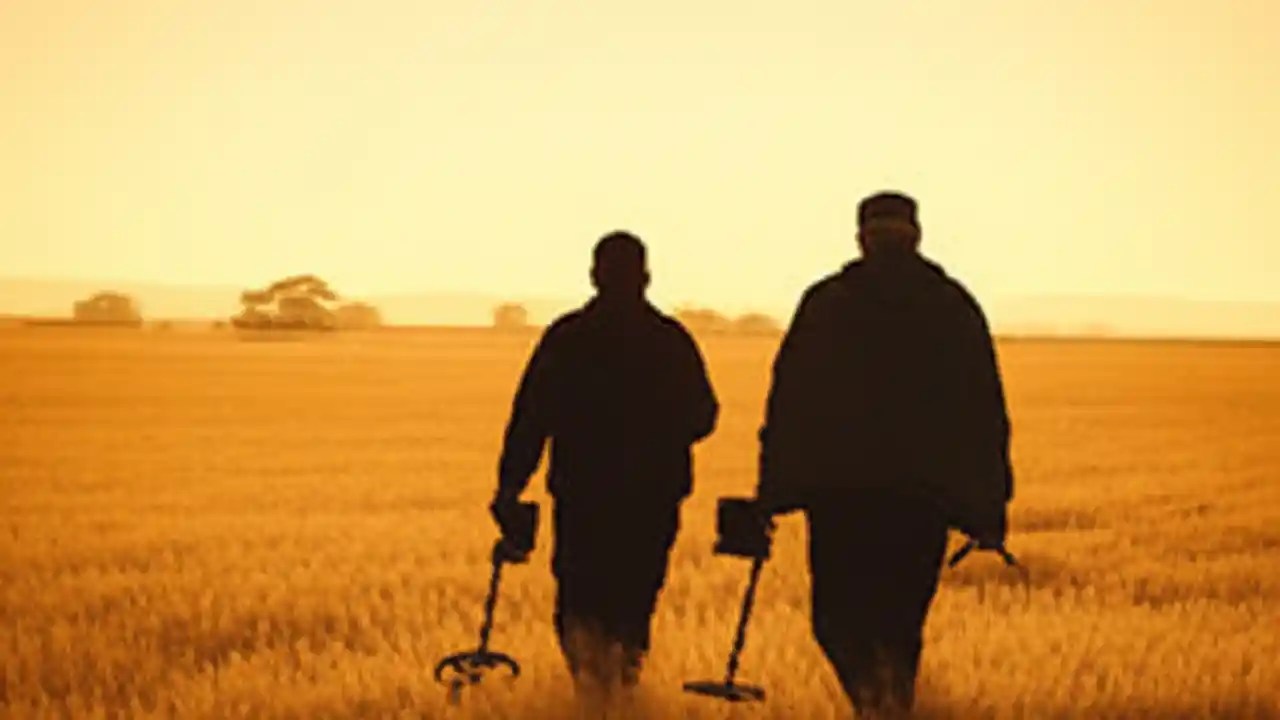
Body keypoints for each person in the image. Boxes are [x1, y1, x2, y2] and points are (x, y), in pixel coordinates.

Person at [755, 192, 1013, 714]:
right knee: (893, 628)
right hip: (910, 500)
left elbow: (789, 401)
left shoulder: (829, 303)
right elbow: (985, 412)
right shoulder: (950, 305)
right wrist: (990, 502)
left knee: (841, 624)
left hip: (848, 499)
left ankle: (879, 707)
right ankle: (886, 707)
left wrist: (774, 486)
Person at [490, 231, 719, 691]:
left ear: (594, 276)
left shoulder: (568, 337)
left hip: (583, 496)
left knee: (579, 598)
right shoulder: (669, 340)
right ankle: (623, 684)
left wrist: (510, 487)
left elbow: (531, 417)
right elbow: (703, 417)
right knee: (635, 599)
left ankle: (590, 688)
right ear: (647, 278)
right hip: (651, 499)